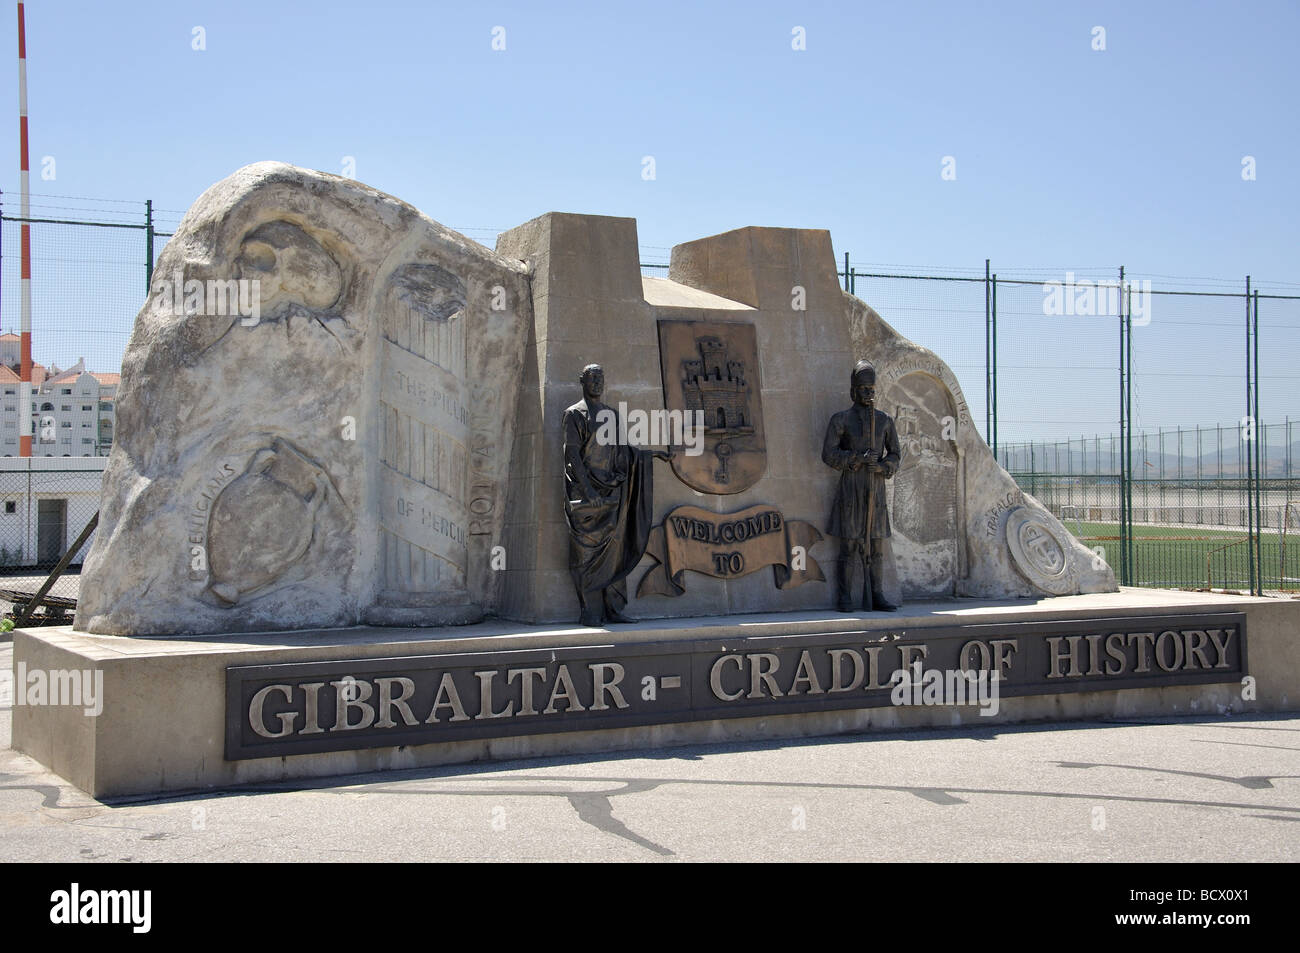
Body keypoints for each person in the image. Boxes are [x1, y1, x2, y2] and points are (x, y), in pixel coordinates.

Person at [563, 364, 670, 626]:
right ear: (582, 381)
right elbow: (572, 455)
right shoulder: (574, 414)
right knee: (586, 554)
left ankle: (613, 609)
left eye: (601, 377)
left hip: (613, 492)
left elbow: (624, 450)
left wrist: (651, 455)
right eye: (592, 377)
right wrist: (588, 490)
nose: (597, 382)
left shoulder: (611, 414)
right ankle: (590, 611)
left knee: (615, 551)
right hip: (588, 496)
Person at [822, 360, 902, 612]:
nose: (868, 393)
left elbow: (896, 455)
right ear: (853, 391)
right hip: (851, 489)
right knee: (849, 545)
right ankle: (844, 597)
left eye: (872, 389)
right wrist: (856, 458)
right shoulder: (841, 419)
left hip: (875, 490)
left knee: (876, 545)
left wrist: (882, 466)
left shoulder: (885, 420)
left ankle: (877, 594)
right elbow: (828, 454)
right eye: (863, 389)